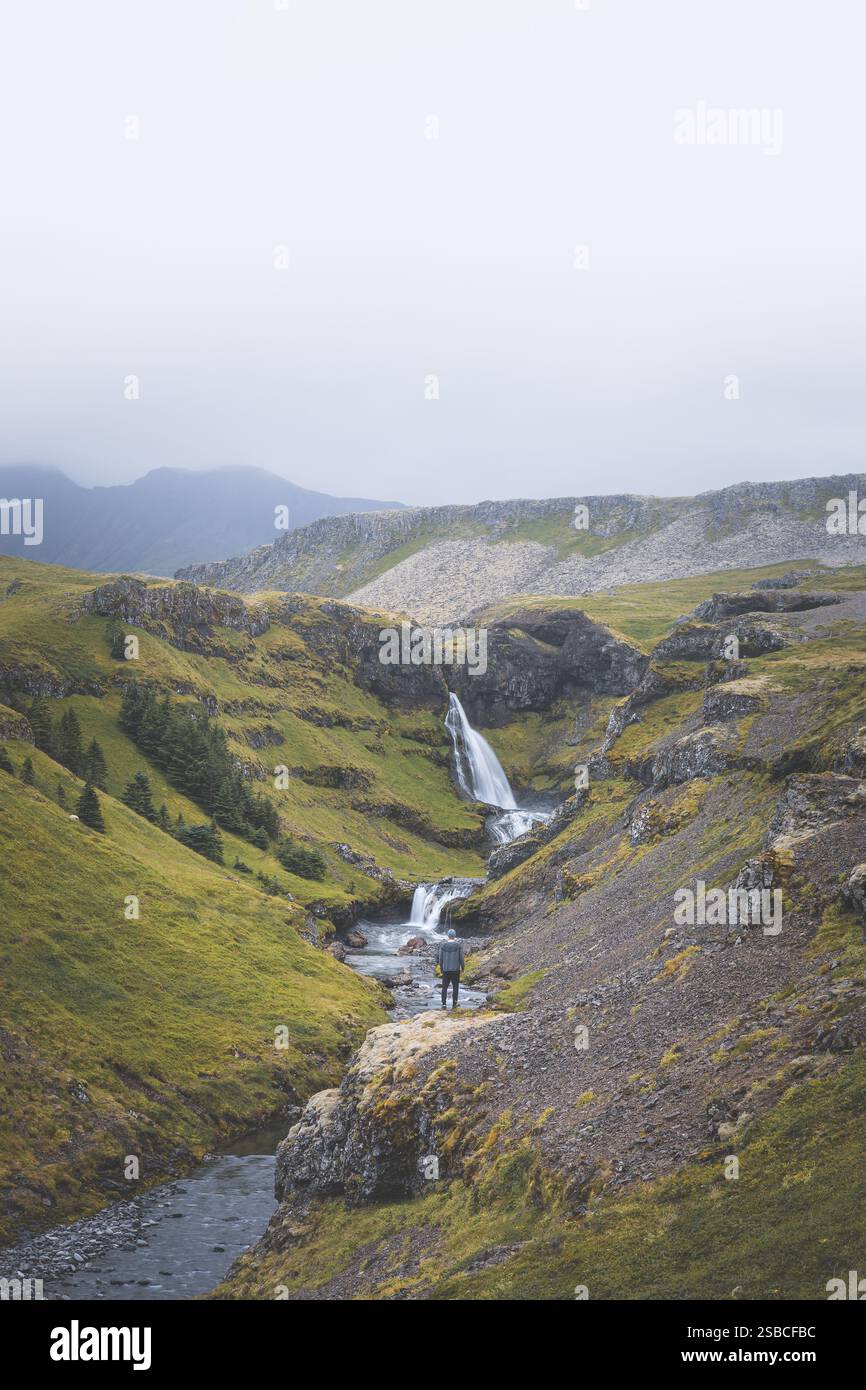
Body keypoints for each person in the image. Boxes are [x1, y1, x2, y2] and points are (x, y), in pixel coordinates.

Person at [436, 928, 465, 1010]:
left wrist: (441, 968)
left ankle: (444, 1004)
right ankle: (454, 1003)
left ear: (448, 936)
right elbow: (461, 959)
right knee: (455, 987)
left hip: (446, 970)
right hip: (455, 970)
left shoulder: (443, 946)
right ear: (454, 936)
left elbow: (440, 959)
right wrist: (463, 967)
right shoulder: (458, 946)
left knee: (444, 987)